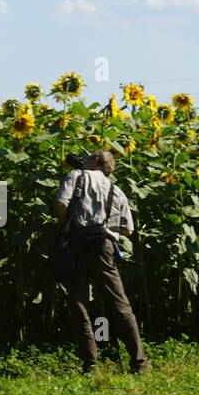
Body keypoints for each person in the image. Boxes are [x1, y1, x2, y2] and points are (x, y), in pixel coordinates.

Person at [52, 150, 150, 375]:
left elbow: (60, 203)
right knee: (120, 303)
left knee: (80, 304)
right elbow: (128, 230)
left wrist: (66, 222)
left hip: (75, 245)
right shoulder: (116, 190)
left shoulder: (76, 176)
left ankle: (91, 364)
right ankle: (139, 363)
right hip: (103, 247)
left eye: (89, 157)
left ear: (96, 161)